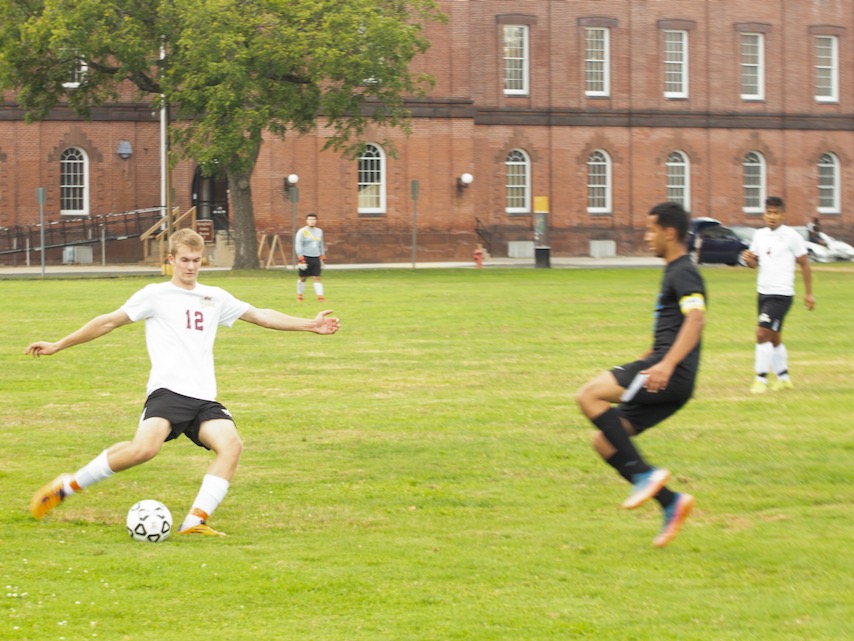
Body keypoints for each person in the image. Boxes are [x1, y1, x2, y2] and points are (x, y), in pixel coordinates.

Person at [26, 228, 340, 536]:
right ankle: (67, 486)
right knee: (143, 450)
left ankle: (194, 521)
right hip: (168, 391)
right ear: (171, 260)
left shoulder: (215, 297)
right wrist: (58, 344)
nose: (191, 267)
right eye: (185, 260)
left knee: (231, 446)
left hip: (204, 397)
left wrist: (310, 325)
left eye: (196, 260)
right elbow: (107, 322)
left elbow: (261, 315)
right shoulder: (155, 295)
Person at [576, 202, 706, 548]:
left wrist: (665, 364)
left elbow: (696, 320)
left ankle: (645, 476)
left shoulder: (684, 272)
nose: (647, 237)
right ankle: (671, 502)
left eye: (651, 230)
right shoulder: (673, 271)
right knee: (605, 442)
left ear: (669, 233)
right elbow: (673, 327)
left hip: (669, 374)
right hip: (666, 372)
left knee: (588, 395)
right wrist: (648, 357)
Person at [740, 196, 814, 394]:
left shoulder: (792, 236)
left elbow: (804, 264)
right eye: (768, 212)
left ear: (783, 215)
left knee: (762, 333)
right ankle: (784, 379)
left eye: (776, 213)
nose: (771, 217)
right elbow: (754, 263)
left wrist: (809, 294)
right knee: (773, 337)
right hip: (763, 292)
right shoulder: (759, 235)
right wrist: (748, 260)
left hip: (781, 294)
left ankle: (760, 379)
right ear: (764, 214)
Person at [295, 213, 326, 302]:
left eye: (313, 219)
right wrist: (300, 257)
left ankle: (320, 297)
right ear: (306, 221)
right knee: (303, 278)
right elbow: (299, 244)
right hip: (305, 257)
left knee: (317, 277)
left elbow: (320, 244)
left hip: (316, 257)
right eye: (310, 219)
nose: (312, 221)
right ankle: (300, 296)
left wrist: (322, 255)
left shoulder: (319, 231)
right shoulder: (302, 231)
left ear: (316, 221)